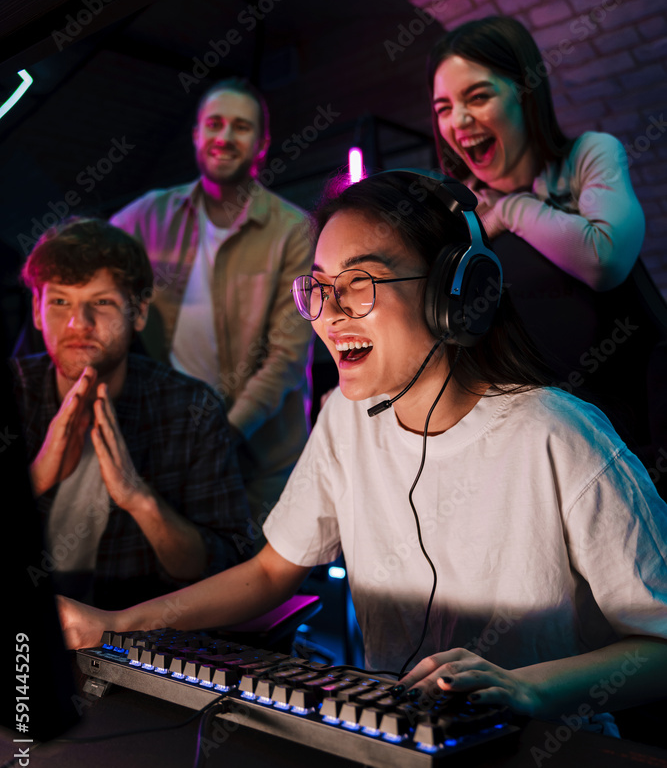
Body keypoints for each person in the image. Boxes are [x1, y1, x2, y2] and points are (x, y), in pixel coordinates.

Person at [59, 173, 667, 725]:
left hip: (550, 763)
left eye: (360, 285)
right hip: (400, 745)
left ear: (452, 292)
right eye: (320, 289)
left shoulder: (559, 435)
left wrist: (525, 689)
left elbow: (659, 646)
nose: (329, 314)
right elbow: (272, 571)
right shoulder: (345, 420)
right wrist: (115, 626)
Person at [428, 15, 667, 494]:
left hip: (639, 423)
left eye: (477, 97)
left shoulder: (587, 156)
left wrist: (512, 210)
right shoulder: (458, 214)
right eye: (444, 107)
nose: (458, 121)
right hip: (541, 443)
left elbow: (605, 258)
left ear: (526, 92)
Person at [110, 77, 313, 542]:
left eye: (240, 127)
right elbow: (91, 261)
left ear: (261, 144)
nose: (224, 137)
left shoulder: (294, 230)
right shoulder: (149, 214)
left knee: (255, 595)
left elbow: (286, 360)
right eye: (214, 125)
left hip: (262, 457)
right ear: (197, 136)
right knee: (184, 587)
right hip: (173, 445)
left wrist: (220, 436)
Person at [13, 217, 251, 609]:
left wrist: (138, 497)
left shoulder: (190, 407)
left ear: (138, 312)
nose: (79, 322)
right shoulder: (15, 389)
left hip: (130, 647)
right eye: (60, 302)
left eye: (102, 302)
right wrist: (37, 477)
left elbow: (222, 569)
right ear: (37, 312)